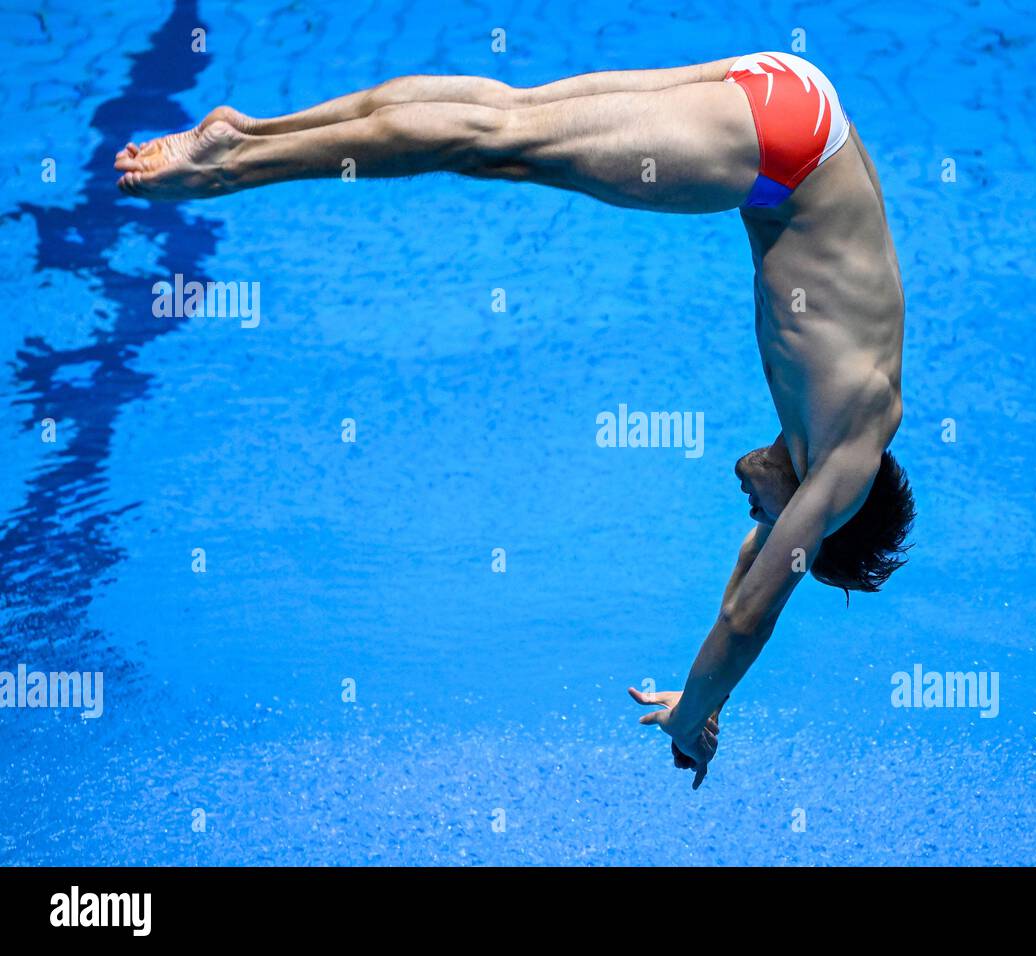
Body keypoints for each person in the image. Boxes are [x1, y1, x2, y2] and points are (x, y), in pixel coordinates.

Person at [115, 51, 913, 787]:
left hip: (796, 104)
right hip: (780, 151)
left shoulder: (837, 434)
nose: (751, 513)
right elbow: (750, 615)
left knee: (508, 114)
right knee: (500, 144)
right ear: (820, 521)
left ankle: (248, 134)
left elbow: (749, 574)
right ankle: (232, 166)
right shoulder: (845, 455)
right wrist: (694, 719)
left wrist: (704, 699)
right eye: (770, 523)